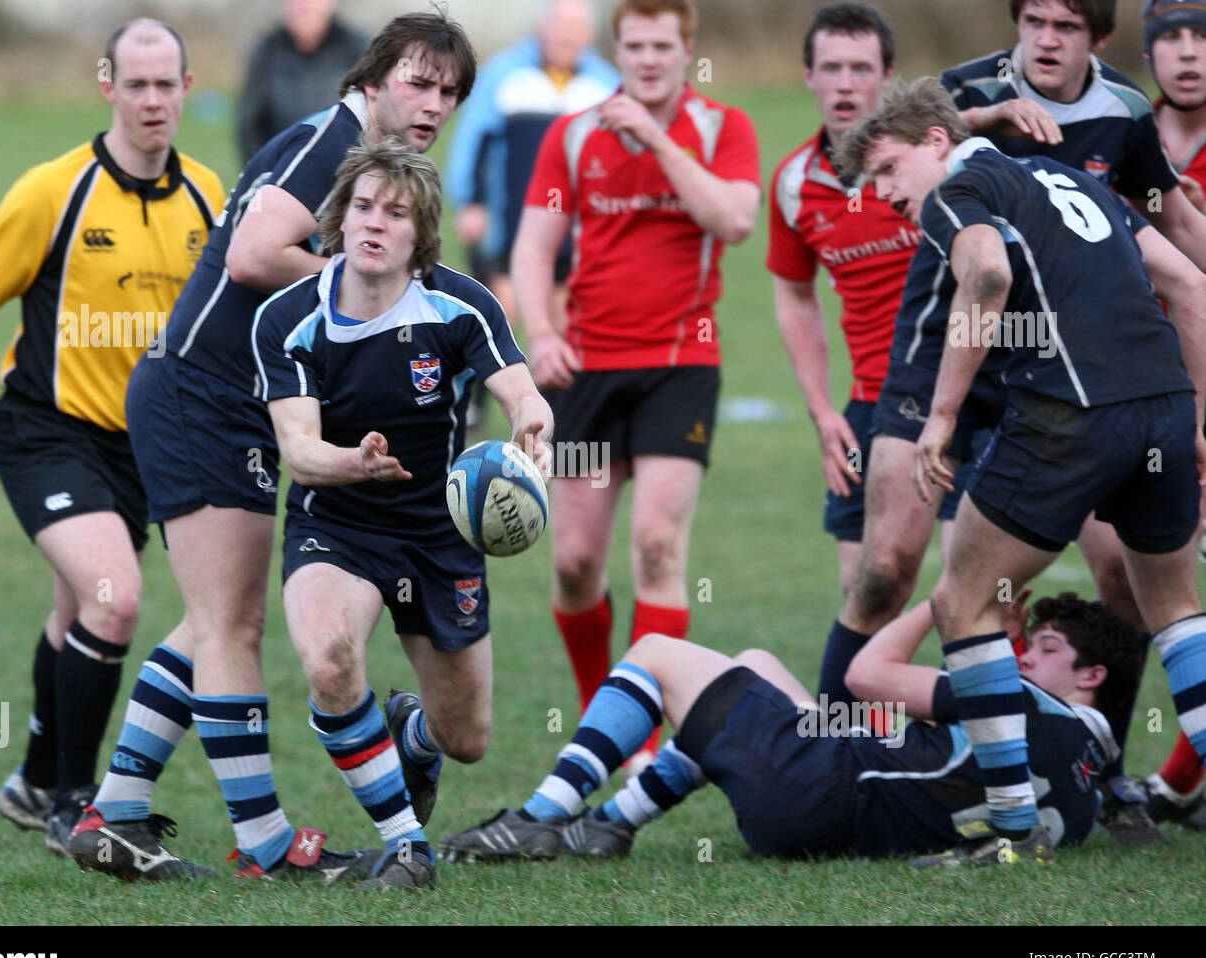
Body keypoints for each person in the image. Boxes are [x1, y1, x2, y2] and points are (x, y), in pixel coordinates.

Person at [68, 10, 478, 884]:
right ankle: (263, 845)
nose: (434, 103)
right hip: (200, 393)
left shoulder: (364, 160)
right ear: (370, 80)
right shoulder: (331, 138)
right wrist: (373, 282)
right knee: (234, 624)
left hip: (232, 402)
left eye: (449, 91)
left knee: (212, 617)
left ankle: (116, 811)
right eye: (417, 80)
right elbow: (255, 254)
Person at [819, 0, 1206, 843]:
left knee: (964, 603)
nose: (884, 197)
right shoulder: (1074, 181)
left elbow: (986, 279)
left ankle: (1013, 828)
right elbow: (1190, 286)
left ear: (933, 141)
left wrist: (942, 416)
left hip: (1070, 412)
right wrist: (1199, 424)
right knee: (1177, 609)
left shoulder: (960, 187)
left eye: (885, 172)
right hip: (1163, 413)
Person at [0, 19, 224, 855]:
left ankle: (32, 780)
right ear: (108, 86)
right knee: (116, 597)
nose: (150, 101)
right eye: (133, 84)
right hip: (45, 433)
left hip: (145, 449)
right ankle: (74, 801)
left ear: (186, 88)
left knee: (78, 609)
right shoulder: (53, 190)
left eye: (164, 85)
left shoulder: (210, 196)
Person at [253, 137, 553, 889]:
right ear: (338, 217)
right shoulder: (290, 317)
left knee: (468, 739)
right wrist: (353, 463)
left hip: (440, 534)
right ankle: (405, 844)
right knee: (328, 659)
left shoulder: (458, 302)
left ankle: (412, 736)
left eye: (395, 212)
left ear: (420, 236)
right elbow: (297, 448)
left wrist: (531, 420)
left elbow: (519, 386)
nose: (374, 223)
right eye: (361, 207)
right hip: (339, 524)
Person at [512, 0, 761, 772]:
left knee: (657, 544)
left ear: (687, 50)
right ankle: (604, 717)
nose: (648, 59)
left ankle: (640, 742)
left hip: (680, 368)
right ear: (616, 50)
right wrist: (543, 336)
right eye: (635, 46)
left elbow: (733, 220)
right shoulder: (573, 134)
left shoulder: (724, 129)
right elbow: (532, 243)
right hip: (586, 373)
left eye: (663, 46)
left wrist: (656, 138)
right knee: (576, 563)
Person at [437, 591, 1134, 864]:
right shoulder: (1087, 786)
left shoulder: (1013, 699)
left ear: (1091, 675)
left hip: (817, 785)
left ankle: (536, 816)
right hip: (839, 816)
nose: (1020, 655)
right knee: (755, 664)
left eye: (1045, 649)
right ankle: (610, 824)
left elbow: (866, 674)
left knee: (652, 653)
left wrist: (948, 599)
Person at [771, 3, 948, 606]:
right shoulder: (794, 183)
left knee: (973, 592)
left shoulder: (936, 163)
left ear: (888, 74)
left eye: (860, 68)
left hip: (968, 397)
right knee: (864, 588)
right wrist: (823, 412)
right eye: (832, 68)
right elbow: (795, 297)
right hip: (872, 405)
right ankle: (866, 705)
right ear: (809, 76)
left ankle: (980, 704)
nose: (845, 84)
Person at [445, 0, 617, 323]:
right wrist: (469, 201)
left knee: (569, 336)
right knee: (495, 328)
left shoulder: (607, 86)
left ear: (590, 35)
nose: (568, 38)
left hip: (579, 235)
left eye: (576, 29)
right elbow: (472, 141)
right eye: (561, 27)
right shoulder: (503, 74)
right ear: (543, 27)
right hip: (509, 228)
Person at [1140, 0, 1206, 829]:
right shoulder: (1126, 132)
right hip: (1146, 388)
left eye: (1202, 39)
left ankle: (1181, 774)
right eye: (1171, 41)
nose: (1188, 55)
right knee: (1154, 580)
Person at [237, 0, 369, 164]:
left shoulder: (355, 46)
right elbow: (249, 125)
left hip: (343, 167)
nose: (304, 6)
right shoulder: (267, 50)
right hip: (280, 168)